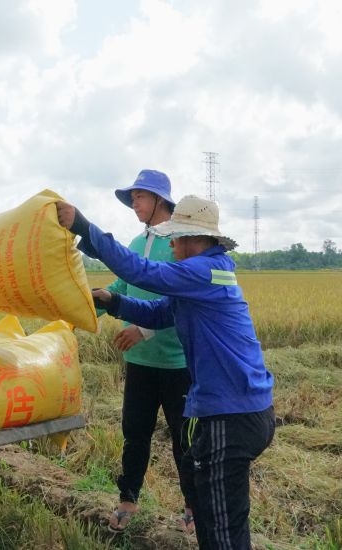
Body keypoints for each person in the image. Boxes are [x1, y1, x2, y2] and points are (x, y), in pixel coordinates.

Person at [58, 195, 275, 550]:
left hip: (231, 415)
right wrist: (114, 302)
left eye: (175, 238)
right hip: (241, 410)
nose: (170, 243)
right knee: (222, 514)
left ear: (193, 240)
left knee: (217, 524)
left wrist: (84, 227)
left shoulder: (203, 271)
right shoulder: (207, 274)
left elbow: (143, 272)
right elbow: (161, 314)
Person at [102, 170, 194, 534]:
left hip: (177, 361)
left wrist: (143, 329)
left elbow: (184, 297)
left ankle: (192, 506)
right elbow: (120, 285)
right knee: (135, 432)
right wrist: (83, 306)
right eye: (133, 198)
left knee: (184, 438)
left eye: (139, 197)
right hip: (139, 363)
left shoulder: (182, 242)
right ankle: (128, 499)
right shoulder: (136, 244)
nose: (134, 205)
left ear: (159, 199)